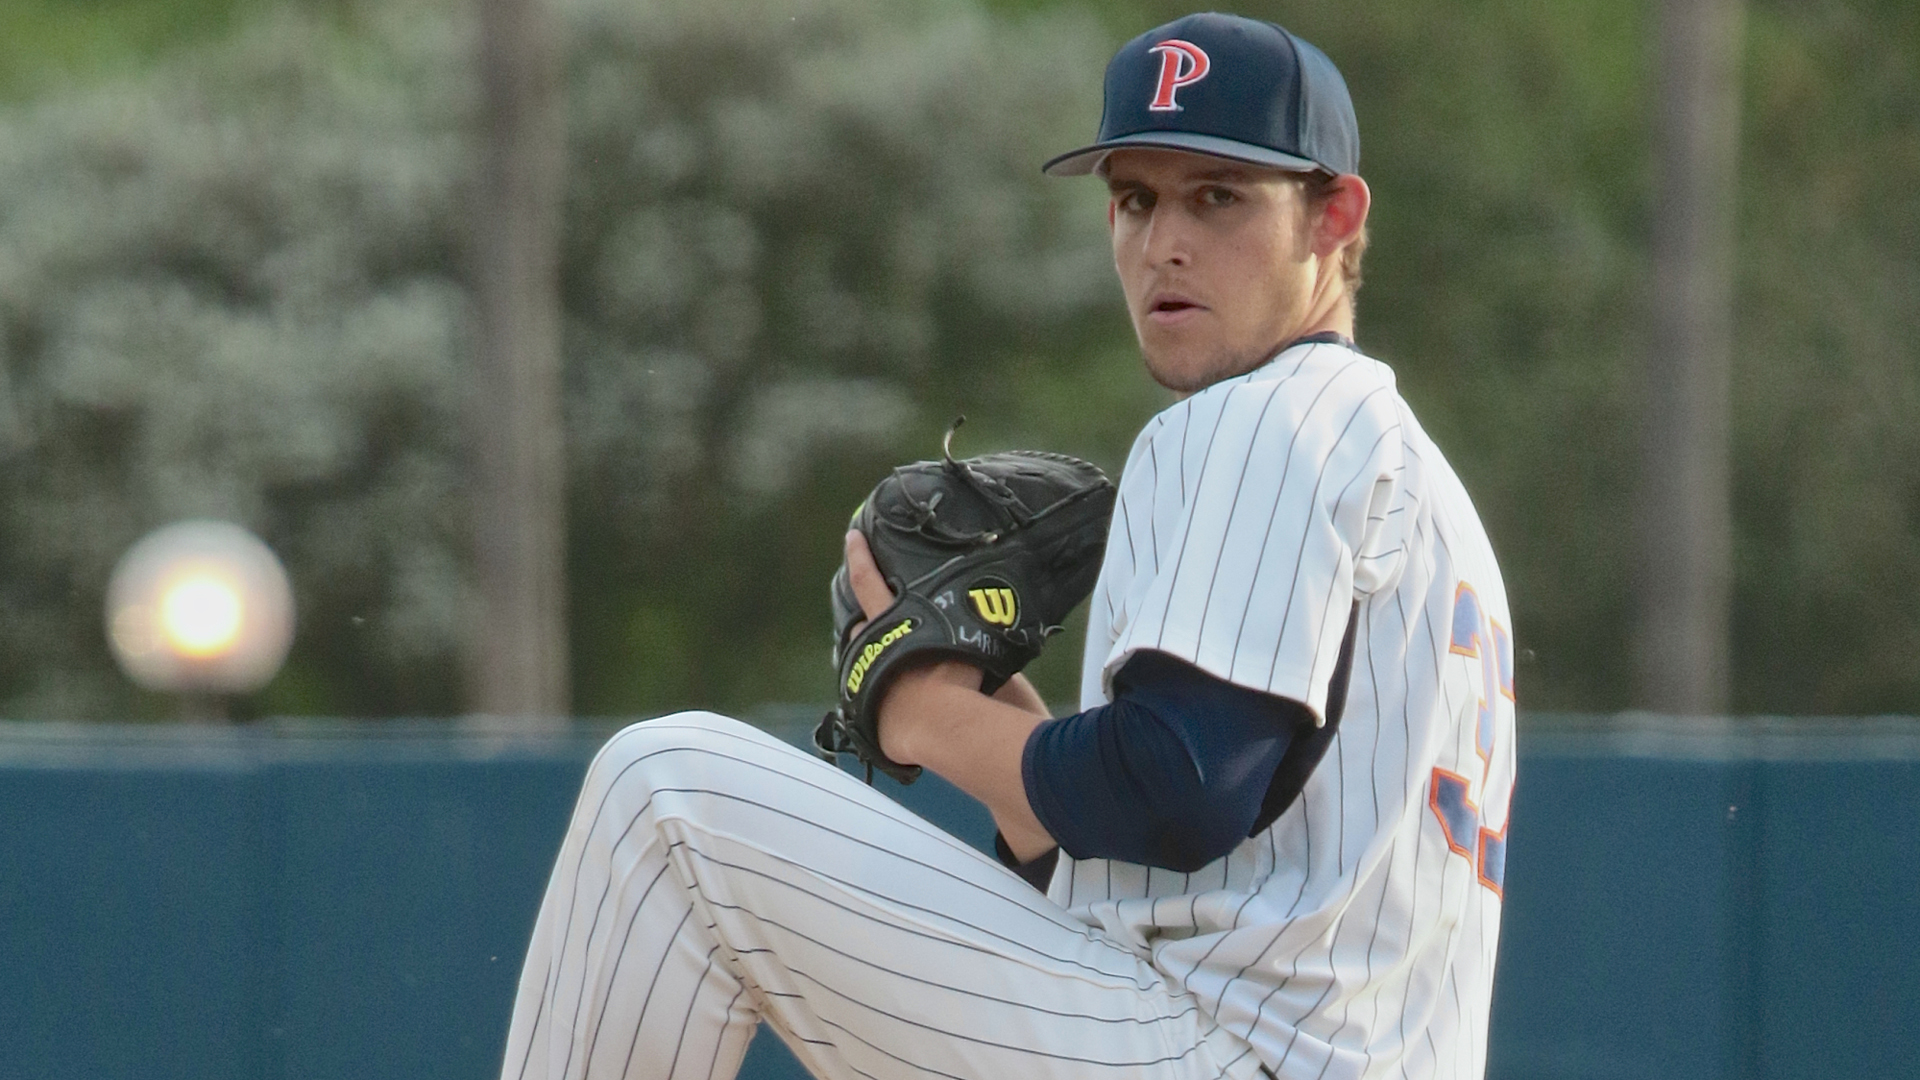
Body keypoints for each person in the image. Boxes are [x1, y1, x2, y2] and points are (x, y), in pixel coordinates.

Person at [499, 12, 1515, 1080]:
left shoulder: (1272, 413)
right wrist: (1010, 761)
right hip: (1254, 1040)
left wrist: (926, 718)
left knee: (665, 799)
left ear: (1333, 216)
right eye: (1136, 199)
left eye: (1217, 195)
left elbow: (1180, 782)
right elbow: (1221, 844)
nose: (1164, 240)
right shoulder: (1427, 496)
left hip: (1223, 1051)